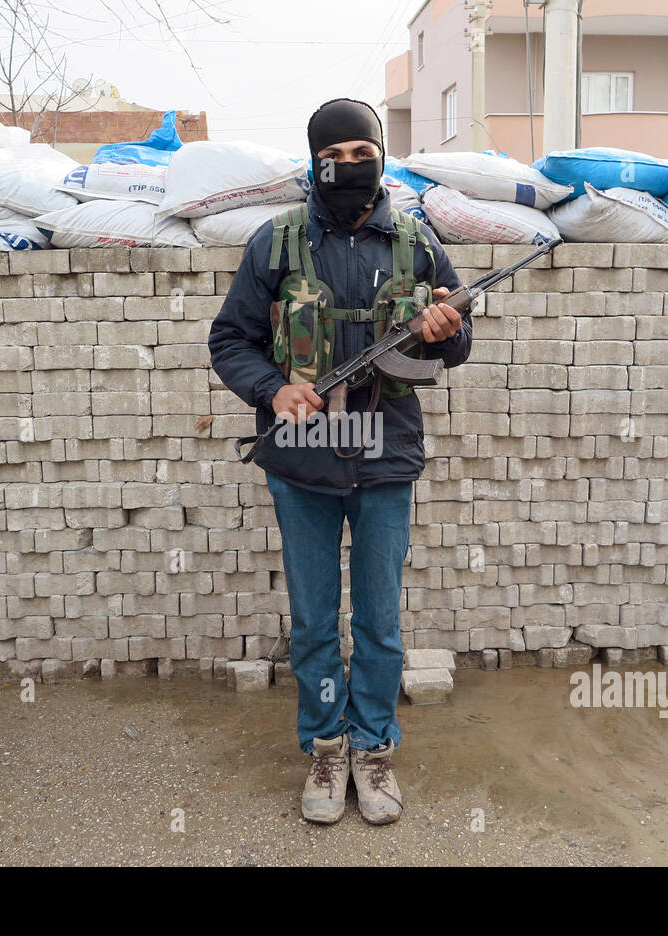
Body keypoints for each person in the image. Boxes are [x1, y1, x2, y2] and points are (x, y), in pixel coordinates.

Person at [208, 98, 471, 825]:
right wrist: (273, 388)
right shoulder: (276, 244)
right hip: (301, 459)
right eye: (337, 155)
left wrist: (448, 328)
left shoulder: (417, 243)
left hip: (386, 454)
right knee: (317, 620)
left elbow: (458, 343)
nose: (352, 166)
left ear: (383, 157)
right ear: (315, 160)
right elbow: (229, 339)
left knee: (381, 621)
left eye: (365, 153)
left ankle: (375, 747)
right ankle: (327, 746)